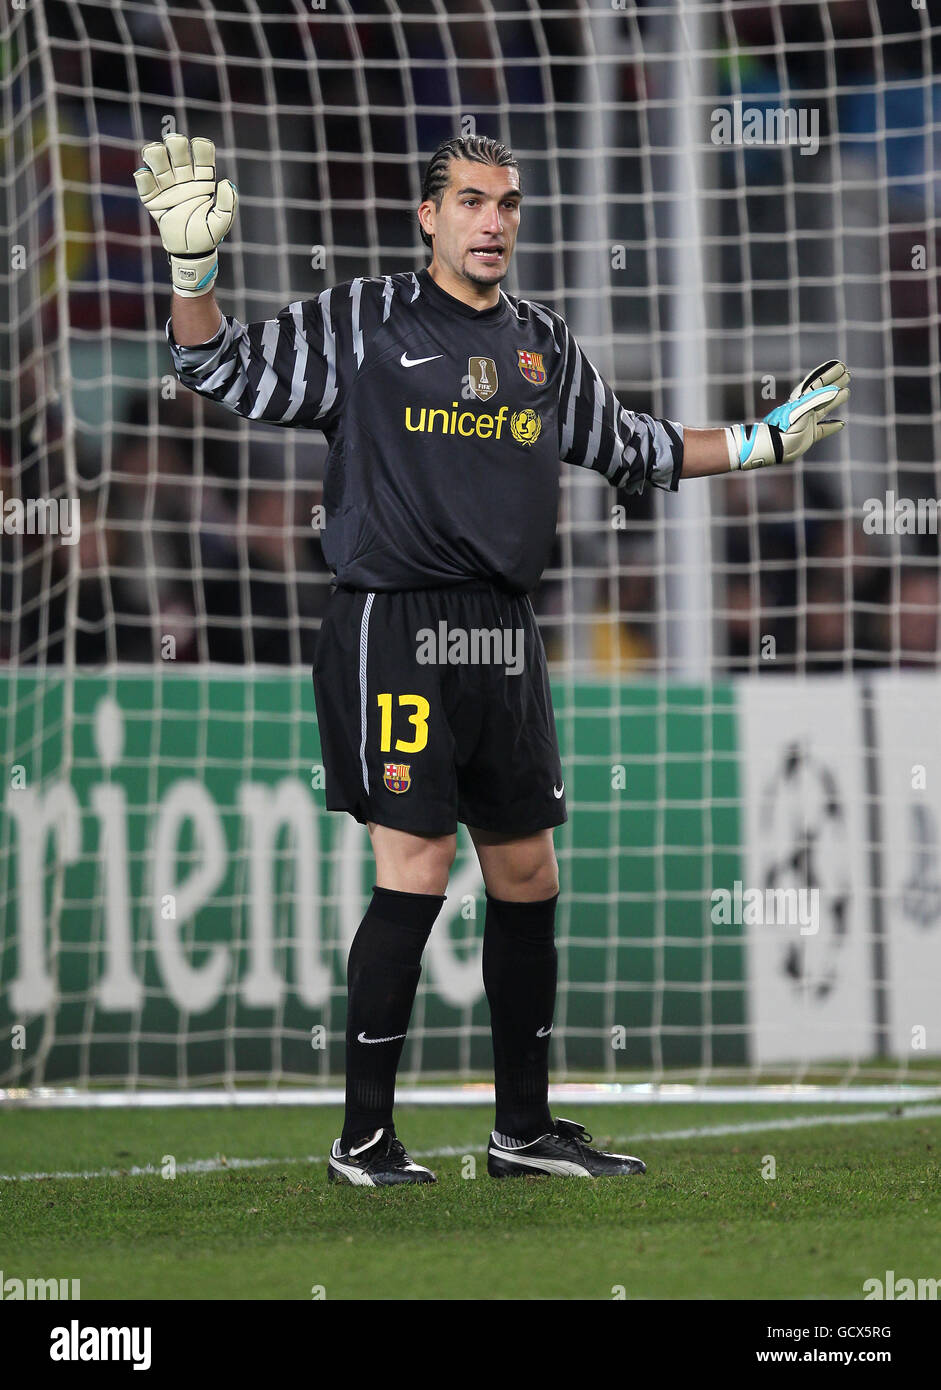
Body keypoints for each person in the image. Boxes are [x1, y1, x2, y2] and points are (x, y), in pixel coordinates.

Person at [136, 132, 850, 1185]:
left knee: (525, 872)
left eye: (508, 204)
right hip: (394, 623)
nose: (493, 222)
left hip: (503, 631)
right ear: (428, 216)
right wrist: (192, 275)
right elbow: (212, 365)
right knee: (416, 864)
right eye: (471, 201)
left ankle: (521, 1130)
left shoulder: (541, 345)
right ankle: (363, 1139)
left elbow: (633, 446)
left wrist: (763, 441)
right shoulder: (362, 322)